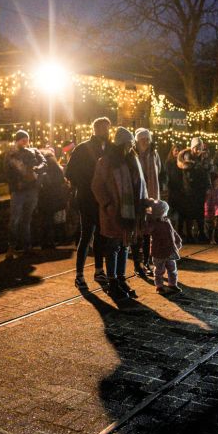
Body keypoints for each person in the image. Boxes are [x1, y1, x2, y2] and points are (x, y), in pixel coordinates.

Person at [91, 127, 148, 303]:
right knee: (113, 245)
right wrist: (107, 204)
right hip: (115, 210)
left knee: (125, 245)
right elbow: (97, 185)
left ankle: (121, 279)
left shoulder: (132, 160)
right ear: (121, 144)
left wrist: (142, 204)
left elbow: (139, 183)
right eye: (128, 143)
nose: (131, 147)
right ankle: (113, 281)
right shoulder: (106, 162)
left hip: (129, 211)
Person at [65, 117, 110, 289]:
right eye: (103, 129)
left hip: (102, 198)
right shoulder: (82, 148)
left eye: (107, 129)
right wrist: (86, 184)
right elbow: (69, 172)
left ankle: (99, 270)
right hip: (86, 198)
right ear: (95, 129)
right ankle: (79, 275)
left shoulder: (109, 148)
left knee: (100, 234)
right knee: (86, 235)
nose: (106, 132)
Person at [3, 130, 45, 257]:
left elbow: (44, 162)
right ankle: (11, 247)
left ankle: (27, 246)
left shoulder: (33, 151)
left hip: (31, 188)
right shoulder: (11, 154)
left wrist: (37, 169)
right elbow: (7, 172)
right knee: (15, 219)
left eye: (27, 139)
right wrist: (16, 183)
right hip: (19, 191)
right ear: (17, 140)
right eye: (23, 140)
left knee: (27, 219)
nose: (25, 142)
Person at [132, 128, 161, 276]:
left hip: (152, 195)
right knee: (137, 231)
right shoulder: (133, 155)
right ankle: (137, 264)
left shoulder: (154, 154)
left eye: (147, 139)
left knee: (148, 231)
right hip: (138, 197)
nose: (145, 142)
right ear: (137, 141)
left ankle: (147, 262)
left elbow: (159, 170)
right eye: (142, 140)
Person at [177, 138, 211, 242]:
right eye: (196, 148)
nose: (198, 151)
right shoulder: (187, 159)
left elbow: (207, 173)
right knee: (190, 213)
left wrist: (208, 186)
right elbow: (188, 176)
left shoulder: (203, 158)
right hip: (190, 190)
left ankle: (201, 232)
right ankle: (190, 234)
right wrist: (197, 168)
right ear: (192, 148)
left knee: (200, 212)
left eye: (200, 148)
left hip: (201, 189)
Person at [146, 200, 183, 295]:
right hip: (158, 251)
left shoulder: (167, 221)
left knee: (172, 269)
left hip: (170, 250)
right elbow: (147, 231)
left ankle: (172, 284)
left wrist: (178, 239)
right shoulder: (153, 223)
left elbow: (173, 231)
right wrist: (149, 218)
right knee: (159, 270)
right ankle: (159, 286)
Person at [37, 149, 69, 250]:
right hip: (54, 194)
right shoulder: (53, 162)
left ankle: (46, 242)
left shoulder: (42, 163)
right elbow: (61, 177)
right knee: (51, 218)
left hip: (45, 194)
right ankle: (51, 241)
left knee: (45, 218)